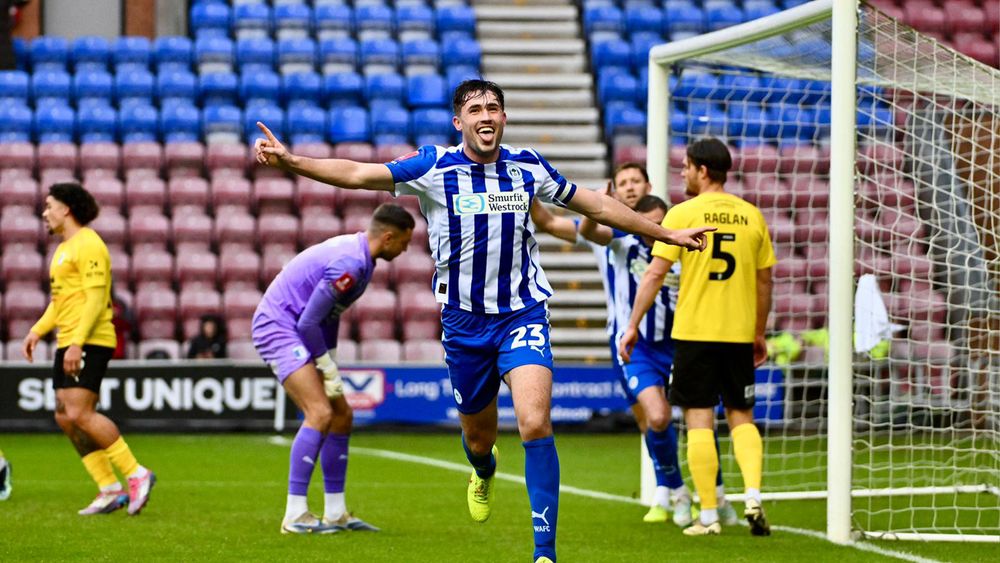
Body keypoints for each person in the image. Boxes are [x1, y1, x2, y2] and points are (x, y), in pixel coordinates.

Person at [254, 79, 714, 562]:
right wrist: (292, 161)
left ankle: (544, 553)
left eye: (494, 107)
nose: (486, 116)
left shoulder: (527, 167)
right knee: (479, 439)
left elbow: (595, 204)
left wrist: (666, 232)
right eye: (475, 109)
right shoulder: (433, 166)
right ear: (460, 122)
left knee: (535, 423)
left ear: (504, 118)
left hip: (523, 314)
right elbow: (355, 172)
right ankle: (482, 469)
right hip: (464, 325)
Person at [532, 165, 737, 529]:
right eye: (622, 183)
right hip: (633, 342)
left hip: (681, 339)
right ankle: (672, 488)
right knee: (653, 416)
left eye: (634, 182)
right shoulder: (613, 233)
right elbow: (572, 227)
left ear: (648, 185)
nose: (628, 188)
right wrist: (529, 192)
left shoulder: (675, 228)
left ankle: (711, 493)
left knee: (698, 417)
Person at [619, 138, 775, 536]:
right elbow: (764, 280)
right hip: (739, 332)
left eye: (686, 167)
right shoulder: (752, 215)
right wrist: (758, 330)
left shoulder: (683, 213)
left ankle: (707, 515)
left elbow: (654, 274)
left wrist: (633, 324)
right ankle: (753, 494)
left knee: (700, 421)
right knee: (742, 416)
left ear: (703, 170)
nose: (683, 173)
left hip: (694, 331)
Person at [252, 203, 415, 534]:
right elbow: (309, 321)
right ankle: (295, 514)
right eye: (404, 242)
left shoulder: (362, 260)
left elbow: (329, 314)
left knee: (342, 416)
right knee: (320, 413)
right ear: (388, 237)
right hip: (280, 326)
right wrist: (326, 366)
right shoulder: (351, 264)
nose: (405, 249)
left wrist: (332, 360)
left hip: (298, 328)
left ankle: (336, 513)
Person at [22, 182, 155, 516]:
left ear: (66, 209)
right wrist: (38, 331)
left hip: (90, 339)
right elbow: (60, 301)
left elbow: (97, 299)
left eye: (49, 205)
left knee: (80, 412)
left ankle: (136, 473)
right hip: (69, 338)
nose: (44, 213)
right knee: (65, 416)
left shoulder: (89, 244)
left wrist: (78, 343)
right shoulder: (63, 250)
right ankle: (109, 489)